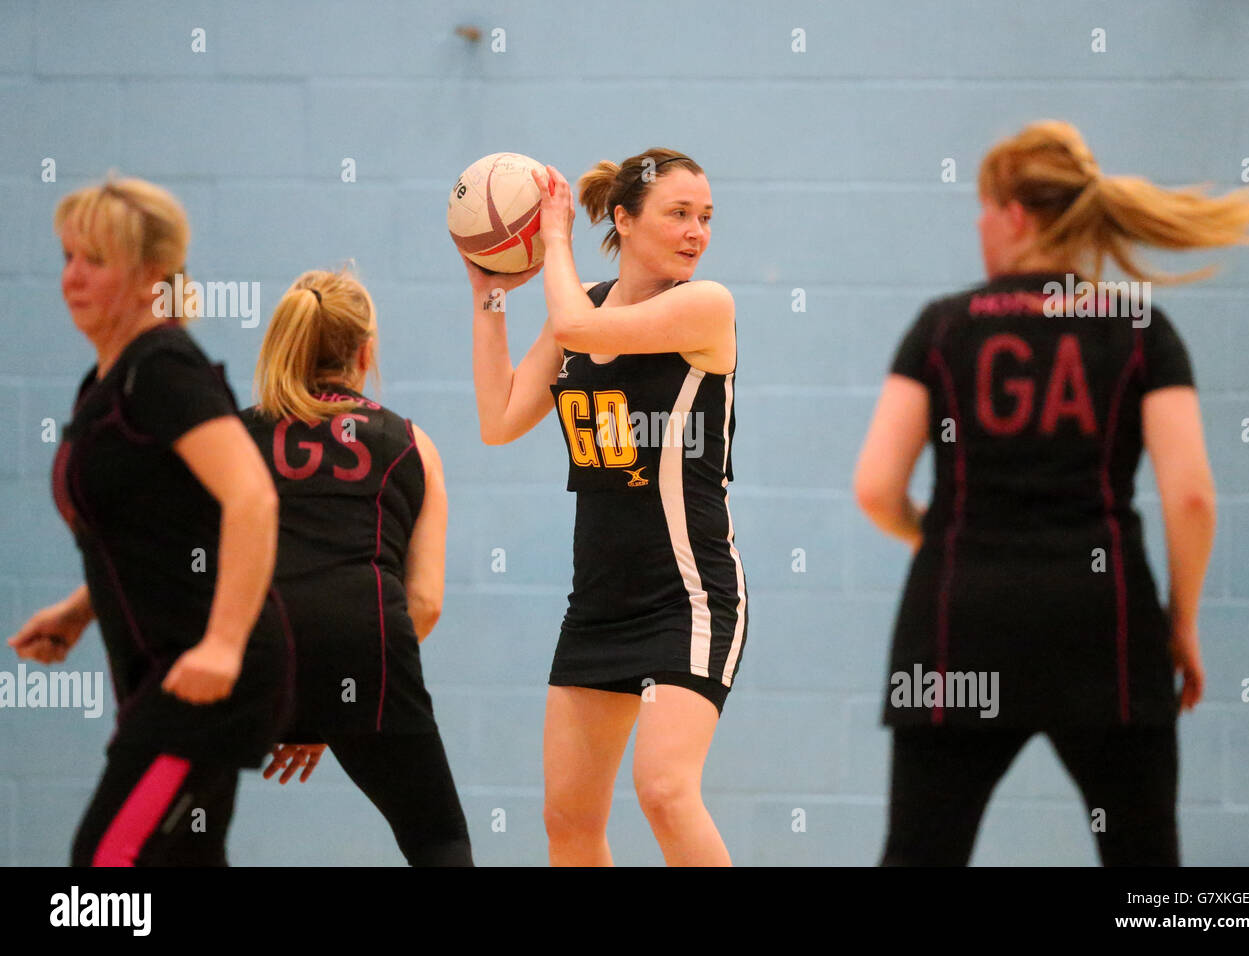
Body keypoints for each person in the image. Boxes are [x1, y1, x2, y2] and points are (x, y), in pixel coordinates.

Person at [854, 120, 1249, 866]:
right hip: (1106, 626)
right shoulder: (1140, 329)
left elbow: (875, 488)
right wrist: (1178, 624)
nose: (979, 225)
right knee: (1147, 873)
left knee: (921, 855)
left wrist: (941, 533)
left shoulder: (942, 327)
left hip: (961, 626)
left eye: (983, 208)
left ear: (1015, 214)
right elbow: (1191, 499)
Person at [459, 148, 746, 865]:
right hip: (599, 600)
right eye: (678, 213)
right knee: (569, 819)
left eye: (705, 217)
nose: (696, 232)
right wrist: (489, 296)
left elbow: (583, 333)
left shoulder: (706, 306)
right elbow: (497, 420)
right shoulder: (581, 302)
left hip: (688, 595)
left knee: (665, 791)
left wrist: (552, 239)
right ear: (624, 218)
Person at [7, 176, 291, 866]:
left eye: (95, 260)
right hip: (161, 667)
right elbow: (156, 532)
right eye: (67, 257)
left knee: (108, 865)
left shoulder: (163, 369)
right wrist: (80, 612)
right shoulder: (105, 382)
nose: (72, 277)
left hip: (209, 674)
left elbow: (252, 498)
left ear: (150, 278)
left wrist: (222, 645)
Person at [240, 267, 472, 866]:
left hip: (255, 646)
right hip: (365, 640)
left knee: (178, 823)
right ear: (366, 351)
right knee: (437, 838)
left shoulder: (233, 438)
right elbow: (425, 603)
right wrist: (339, 695)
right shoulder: (412, 443)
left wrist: (297, 694)